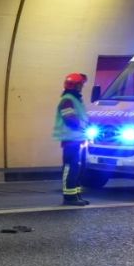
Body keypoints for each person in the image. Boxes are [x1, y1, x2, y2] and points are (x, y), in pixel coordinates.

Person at [54, 72, 91, 206]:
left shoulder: (76, 99)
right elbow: (70, 119)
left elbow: (81, 118)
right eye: (81, 84)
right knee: (70, 168)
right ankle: (69, 197)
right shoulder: (68, 99)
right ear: (76, 85)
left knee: (78, 168)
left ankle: (75, 195)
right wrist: (84, 126)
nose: (82, 87)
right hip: (71, 140)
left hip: (78, 139)